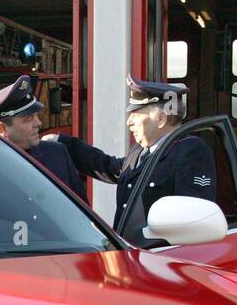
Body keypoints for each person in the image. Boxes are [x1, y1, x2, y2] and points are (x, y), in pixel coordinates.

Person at [50, 76, 217, 232]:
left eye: (135, 114)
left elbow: (192, 220)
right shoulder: (140, 149)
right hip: (131, 254)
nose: (129, 122)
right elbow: (111, 168)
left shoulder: (190, 151)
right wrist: (64, 143)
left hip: (159, 256)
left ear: (161, 119)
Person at [0, 75, 87, 201]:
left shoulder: (57, 155)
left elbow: (82, 214)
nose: (38, 123)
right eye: (28, 120)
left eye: (37, 116)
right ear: (2, 129)